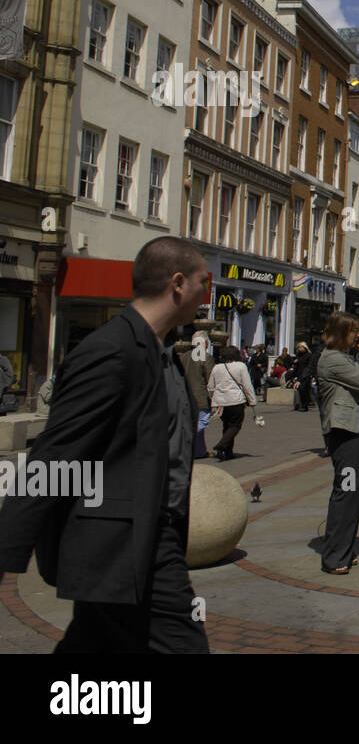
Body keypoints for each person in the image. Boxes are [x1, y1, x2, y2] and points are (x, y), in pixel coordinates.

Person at [0, 236, 211, 652]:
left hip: (147, 537)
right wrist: (7, 547)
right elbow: (56, 455)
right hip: (118, 543)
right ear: (178, 283)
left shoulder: (160, 351)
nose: (208, 293)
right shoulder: (112, 350)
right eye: (204, 281)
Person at [316, 311, 359, 575]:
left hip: (354, 430)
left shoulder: (342, 357)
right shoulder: (333, 360)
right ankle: (334, 556)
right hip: (345, 433)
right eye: (354, 331)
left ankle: (345, 547)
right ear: (343, 333)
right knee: (346, 489)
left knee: (353, 491)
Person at [207, 345, 258, 462]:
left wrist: (212, 398)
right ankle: (221, 445)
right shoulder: (241, 366)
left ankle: (228, 452)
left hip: (221, 402)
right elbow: (247, 385)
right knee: (235, 425)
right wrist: (252, 401)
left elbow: (210, 386)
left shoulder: (217, 367)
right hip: (236, 400)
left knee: (227, 425)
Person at [179, 331, 215, 459]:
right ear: (205, 343)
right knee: (200, 424)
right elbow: (211, 378)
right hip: (200, 397)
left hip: (185, 396)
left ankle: (200, 451)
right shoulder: (206, 357)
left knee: (192, 424)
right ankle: (191, 450)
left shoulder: (183, 356)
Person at [291, 342, 313, 411]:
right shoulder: (298, 356)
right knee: (298, 390)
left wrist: (307, 374)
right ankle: (298, 404)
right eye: (299, 347)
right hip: (298, 374)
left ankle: (304, 405)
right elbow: (296, 367)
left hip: (305, 375)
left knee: (304, 390)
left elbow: (309, 366)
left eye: (301, 347)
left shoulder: (308, 355)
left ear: (305, 347)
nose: (300, 349)